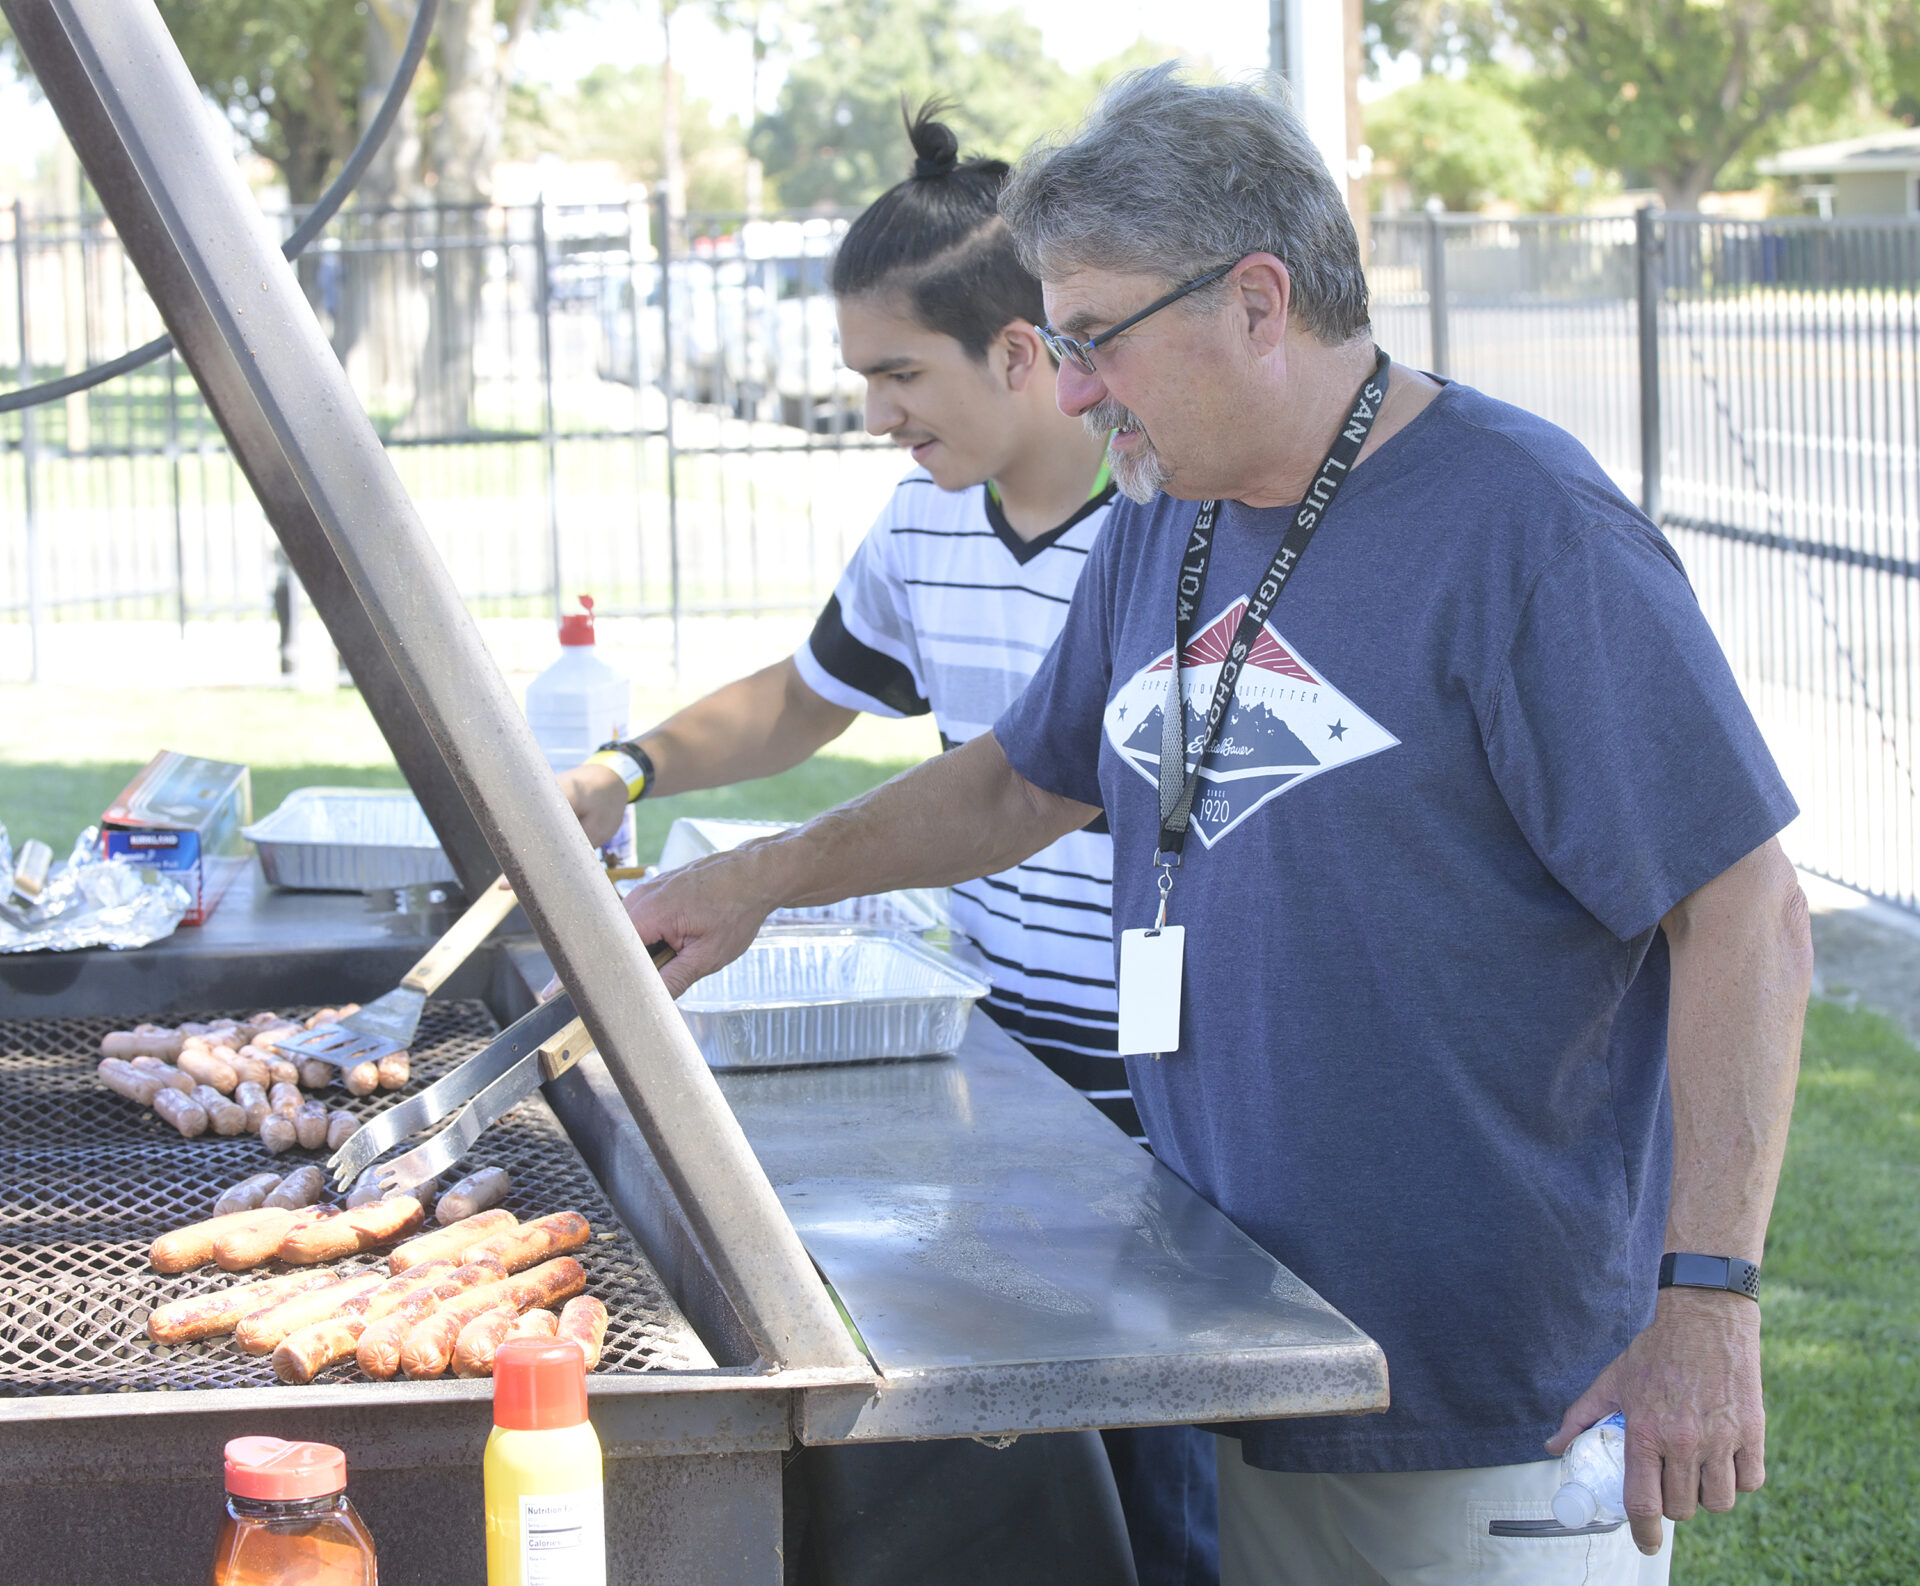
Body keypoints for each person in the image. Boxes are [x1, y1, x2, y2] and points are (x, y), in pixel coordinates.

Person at [614, 66, 1812, 1586]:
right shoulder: (1161, 510)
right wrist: (760, 880)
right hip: (1244, 1346)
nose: (1069, 388)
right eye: (1057, 342)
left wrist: (1706, 1298)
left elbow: (1745, 911)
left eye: (1095, 337)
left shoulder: (1529, 532)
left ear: (1259, 300)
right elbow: (1019, 779)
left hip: (1481, 1399)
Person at [563, 106, 1217, 1586]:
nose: (874, 414)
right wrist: (624, 766)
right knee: (1034, 1467)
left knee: (1170, 1467)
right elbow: (810, 696)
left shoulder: (1175, 522)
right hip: (999, 1073)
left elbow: (1026, 787)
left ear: (1027, 351)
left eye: (897, 374)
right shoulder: (921, 527)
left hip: (1165, 1082)